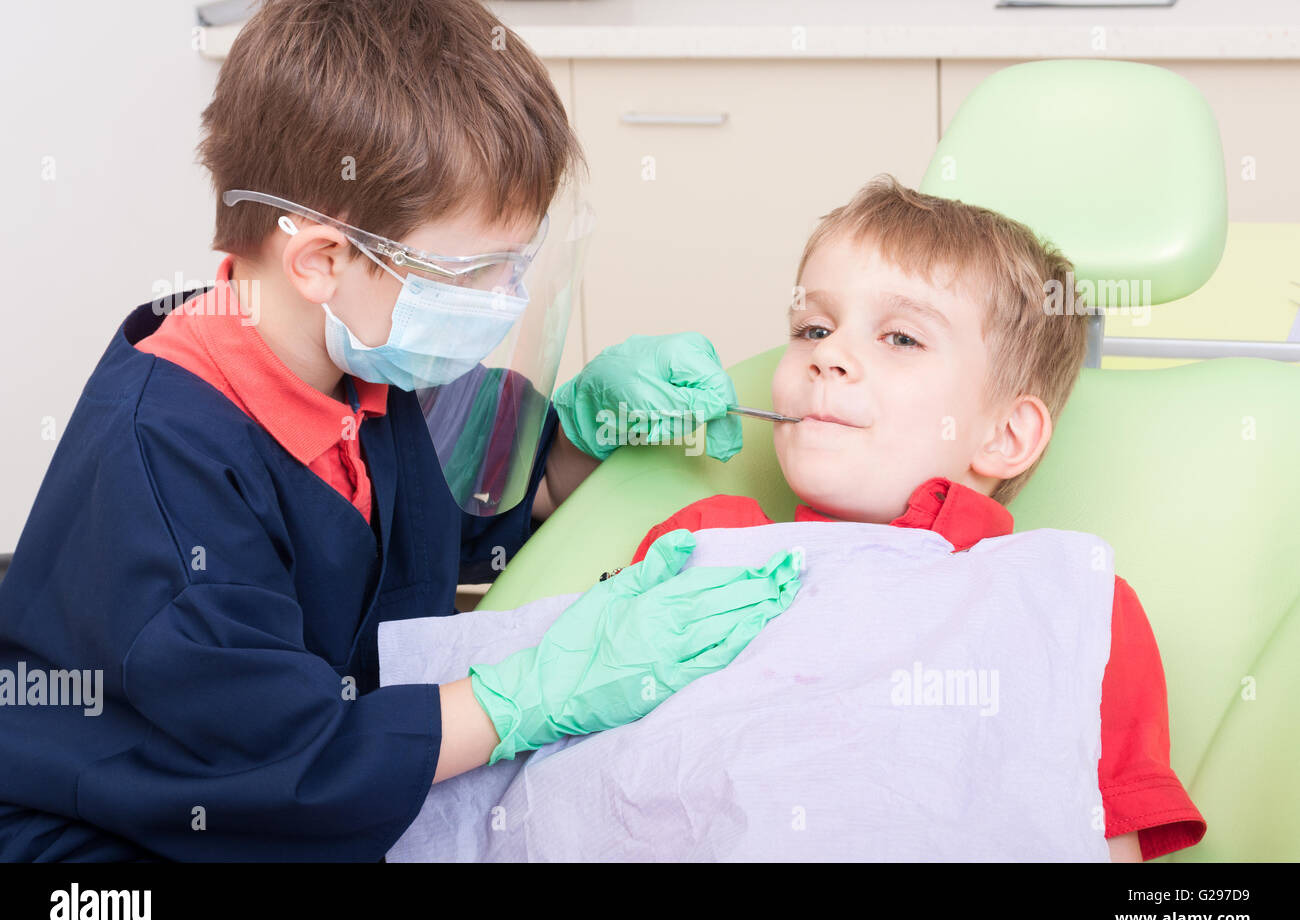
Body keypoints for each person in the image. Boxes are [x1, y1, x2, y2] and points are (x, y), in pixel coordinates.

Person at [0, 0, 799, 862]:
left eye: (519, 265)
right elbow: (291, 768)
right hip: (116, 844)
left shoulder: (369, 364)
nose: (505, 301)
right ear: (319, 261)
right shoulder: (161, 469)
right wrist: (533, 693)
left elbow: (478, 504)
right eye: (475, 272)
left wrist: (583, 435)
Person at [625, 176, 1208, 862]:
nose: (827, 354)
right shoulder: (707, 541)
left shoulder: (1073, 603)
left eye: (900, 337)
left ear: (1005, 436)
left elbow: (1098, 843)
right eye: (813, 327)